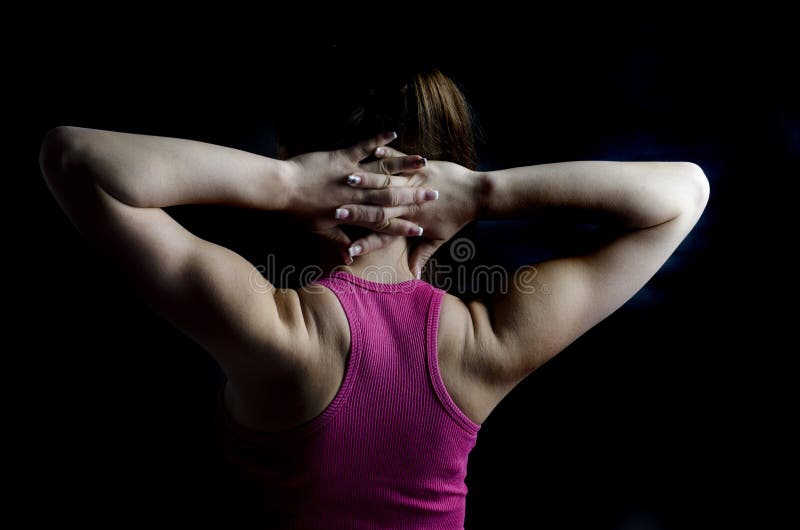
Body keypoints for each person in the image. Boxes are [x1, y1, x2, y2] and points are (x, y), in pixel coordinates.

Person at [39, 68, 709, 528]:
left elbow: (73, 158)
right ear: (449, 172)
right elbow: (683, 195)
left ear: (303, 159)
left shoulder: (277, 332)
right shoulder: (485, 342)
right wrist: (485, 195)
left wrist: (279, 183)